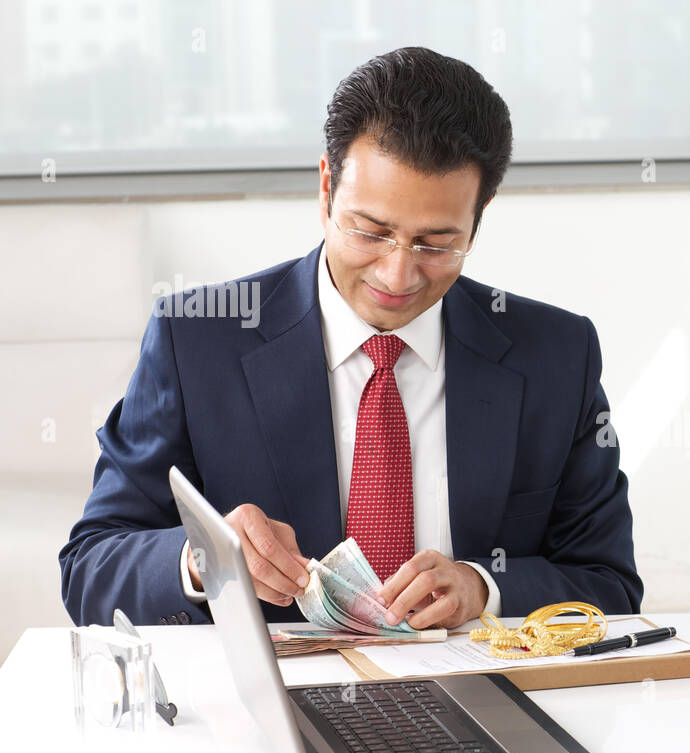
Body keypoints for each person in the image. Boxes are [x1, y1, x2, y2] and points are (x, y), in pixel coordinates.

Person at [60, 47, 642, 631]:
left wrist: (483, 587)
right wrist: (202, 559)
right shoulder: (196, 342)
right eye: (371, 232)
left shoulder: (557, 356)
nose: (397, 275)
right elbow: (90, 569)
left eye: (436, 243)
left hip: (478, 696)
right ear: (325, 187)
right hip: (279, 702)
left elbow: (609, 585)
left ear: (479, 215)